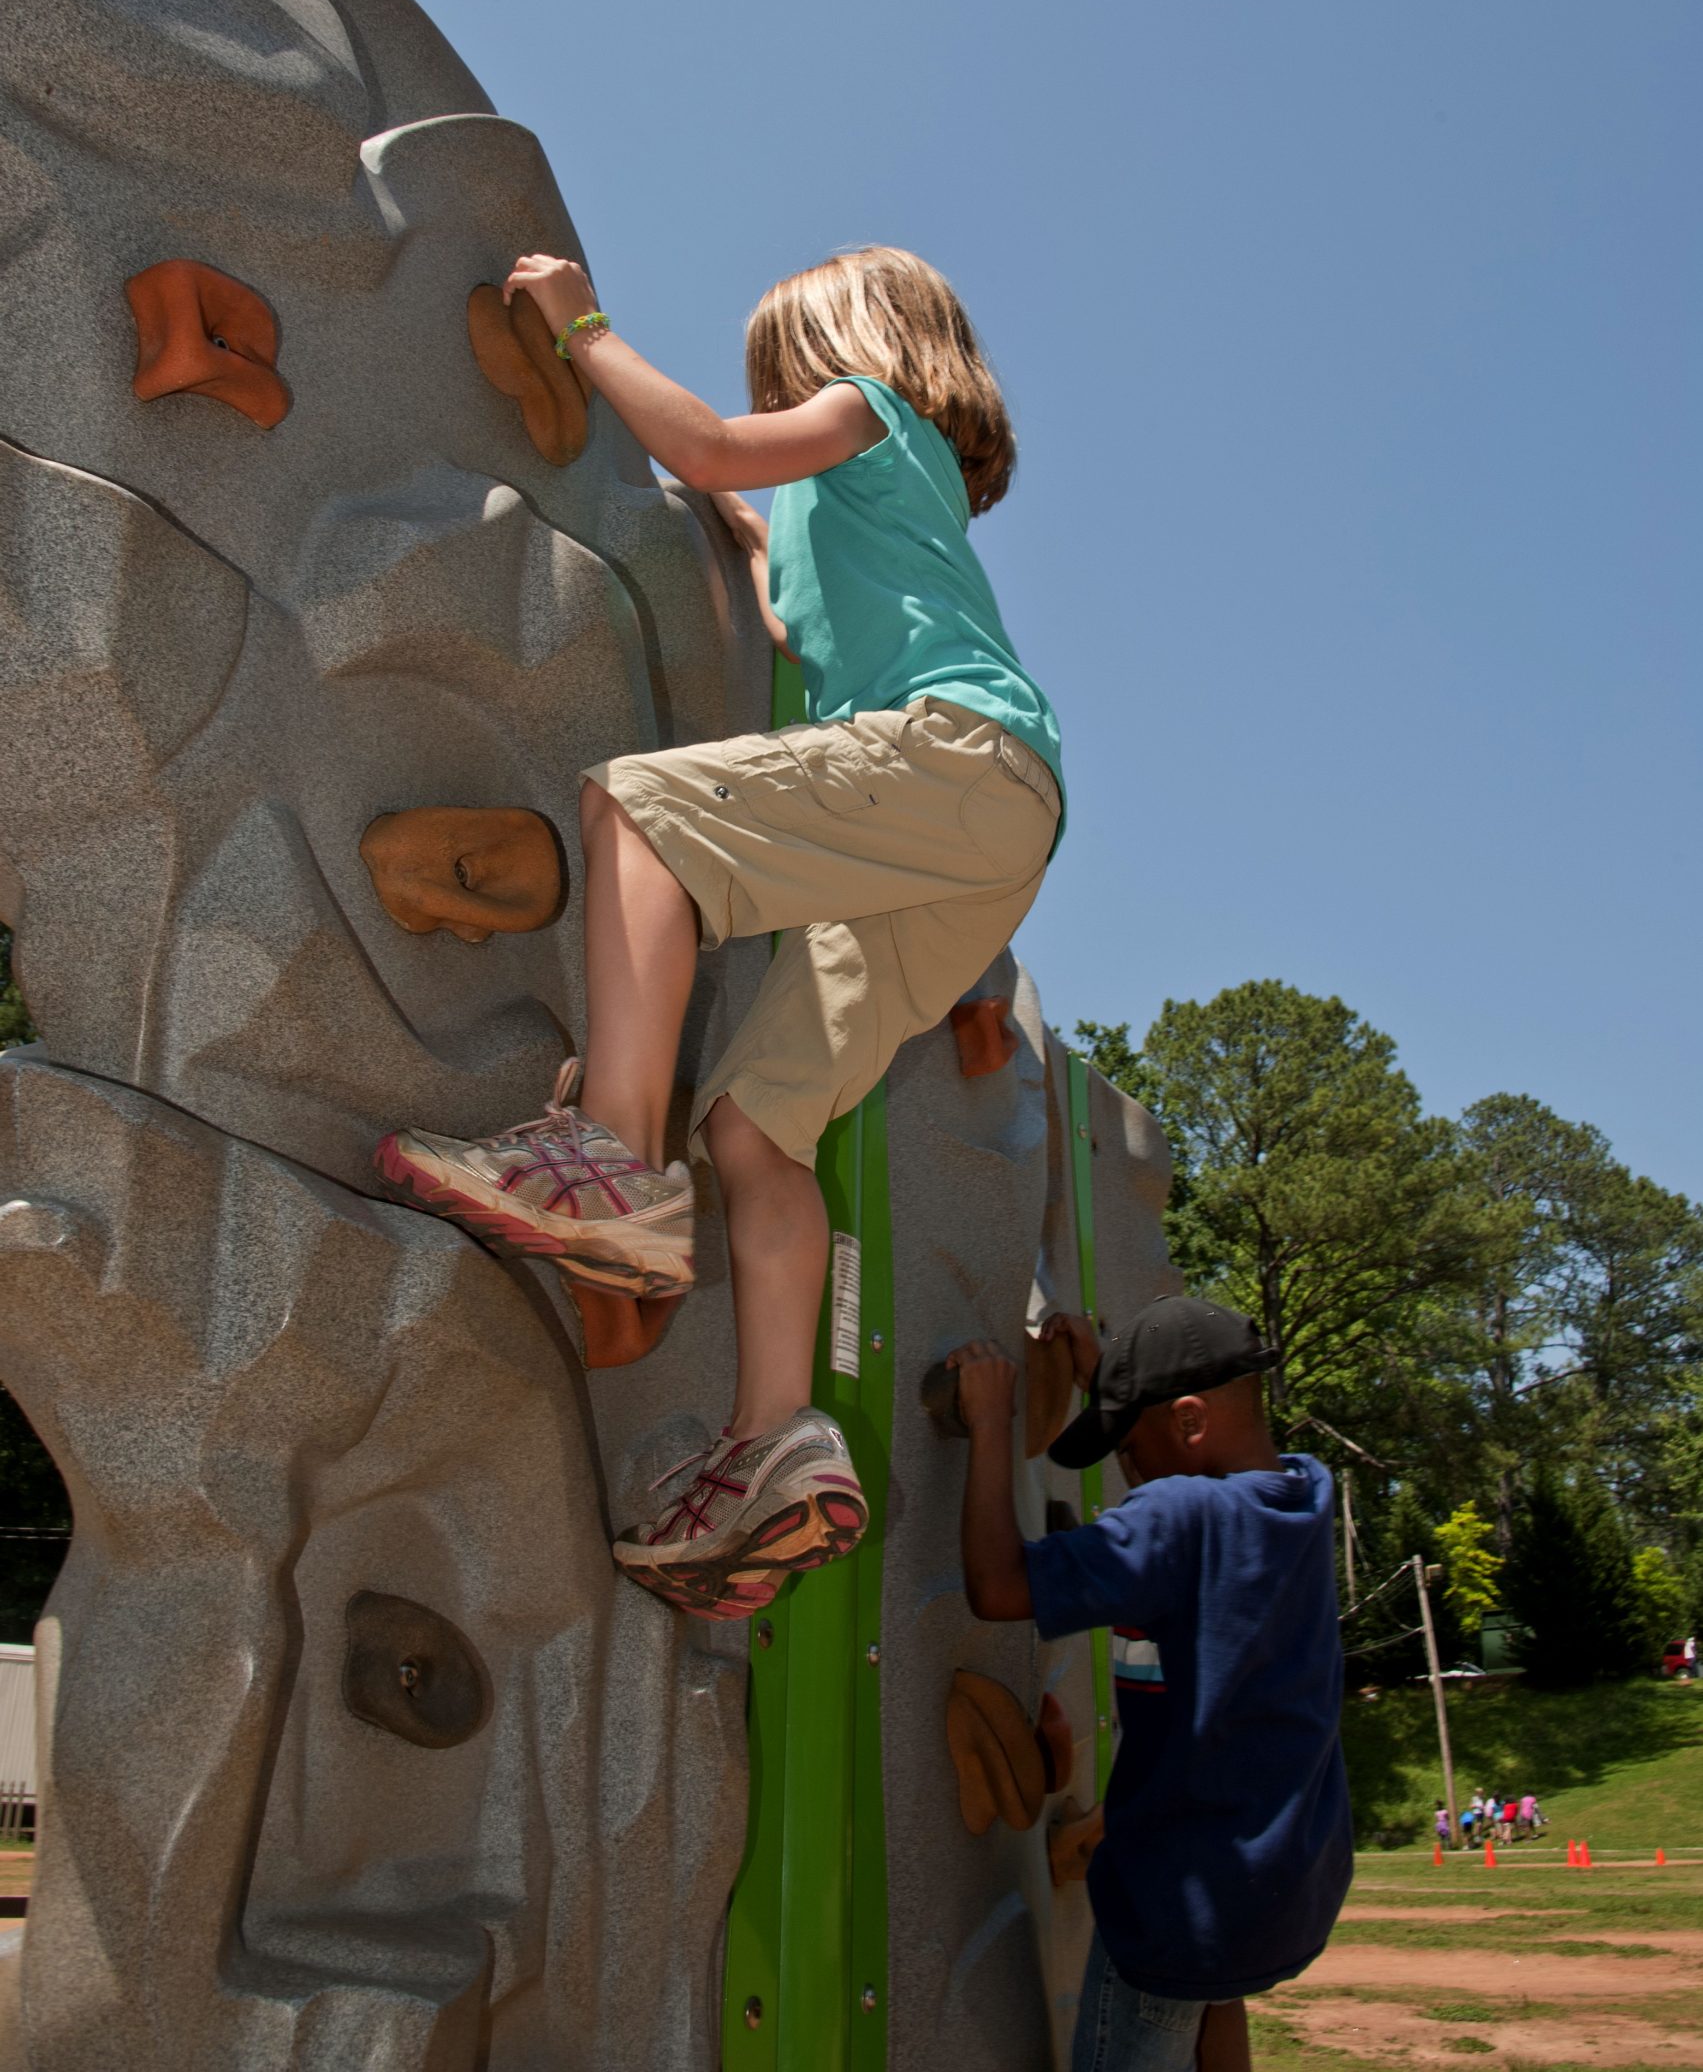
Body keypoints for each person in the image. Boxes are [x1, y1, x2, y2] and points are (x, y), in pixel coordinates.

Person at [378, 246, 1063, 1619]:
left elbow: (703, 440)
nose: (776, 393)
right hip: (969, 848)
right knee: (757, 1128)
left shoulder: (870, 408)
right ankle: (773, 1439)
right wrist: (741, 525)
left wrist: (581, 323)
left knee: (633, 808)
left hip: (954, 758)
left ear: (855, 339)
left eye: (779, 363)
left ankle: (610, 1166)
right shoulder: (851, 509)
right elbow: (766, 568)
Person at [950, 1296, 1353, 2071]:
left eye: (1130, 1450)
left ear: (1191, 1422)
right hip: (1275, 1880)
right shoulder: (1303, 1492)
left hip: (1177, 1901)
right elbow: (1190, 1477)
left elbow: (996, 1588)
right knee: (1213, 1998)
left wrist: (990, 1422)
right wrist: (1122, 1390)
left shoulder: (1180, 1520)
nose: (1128, 1474)